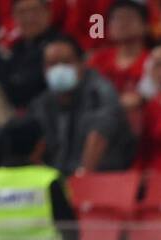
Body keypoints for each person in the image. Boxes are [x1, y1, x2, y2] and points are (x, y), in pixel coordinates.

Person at [28, 34, 136, 173]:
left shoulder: (100, 91)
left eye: (66, 62)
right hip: (58, 177)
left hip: (102, 177)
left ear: (82, 63)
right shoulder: (42, 102)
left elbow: (99, 135)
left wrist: (83, 177)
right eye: (52, 64)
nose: (59, 69)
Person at [3, 0, 64, 107]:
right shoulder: (15, 49)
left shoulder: (62, 46)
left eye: (35, 10)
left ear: (48, 12)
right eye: (22, 12)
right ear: (14, 16)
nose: (29, 18)